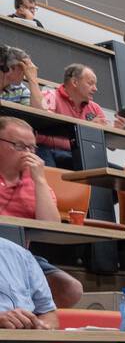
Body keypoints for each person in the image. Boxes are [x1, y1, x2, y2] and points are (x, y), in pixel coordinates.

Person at [0, 116, 84, 308]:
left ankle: (25, 318)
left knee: (71, 289)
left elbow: (51, 226)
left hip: (22, 257)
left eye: (32, 148)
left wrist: (40, 180)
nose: (28, 153)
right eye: (19, 146)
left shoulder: (36, 183)